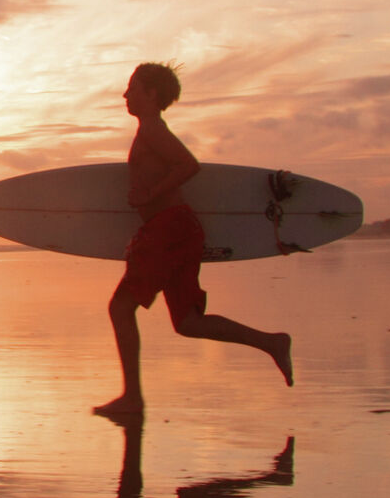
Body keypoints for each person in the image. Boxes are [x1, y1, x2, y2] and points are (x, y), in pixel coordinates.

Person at [95, 62, 292, 417]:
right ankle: (272, 343)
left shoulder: (152, 129)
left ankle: (133, 398)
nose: (125, 94)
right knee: (188, 323)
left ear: (151, 93)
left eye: (132, 88)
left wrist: (149, 194)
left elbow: (188, 165)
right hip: (179, 231)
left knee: (120, 308)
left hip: (166, 230)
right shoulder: (151, 130)